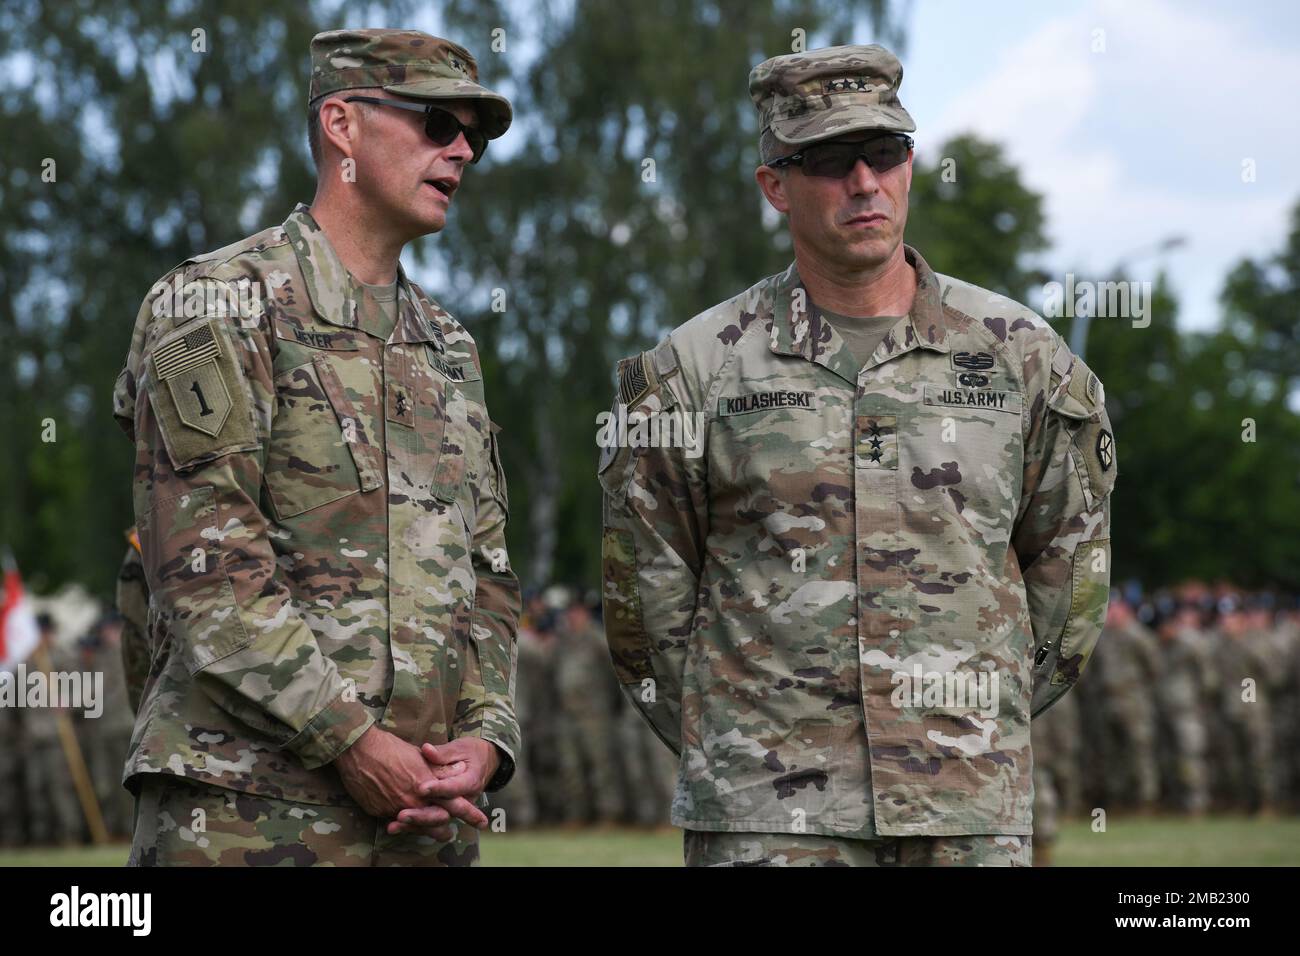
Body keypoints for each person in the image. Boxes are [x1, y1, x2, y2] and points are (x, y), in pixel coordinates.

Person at [598, 44, 1116, 866]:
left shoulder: (1020, 356)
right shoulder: (695, 370)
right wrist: (736, 737)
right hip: (770, 814)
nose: (865, 182)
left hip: (967, 803)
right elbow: (645, 599)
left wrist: (977, 719)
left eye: (884, 152)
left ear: (910, 163)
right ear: (775, 185)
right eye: (831, 160)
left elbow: (1070, 576)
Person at [111, 28, 520, 866]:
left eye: (473, 137)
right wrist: (351, 742)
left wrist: (482, 742)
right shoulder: (218, 304)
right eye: (438, 123)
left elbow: (487, 572)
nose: (461, 152)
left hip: (422, 826)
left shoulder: (449, 346)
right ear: (342, 125)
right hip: (244, 816)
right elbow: (206, 568)